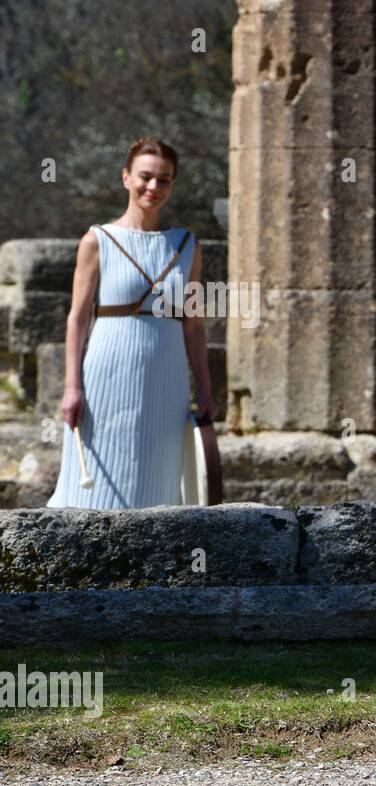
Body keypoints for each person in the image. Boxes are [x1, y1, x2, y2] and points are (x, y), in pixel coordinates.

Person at [46, 137, 216, 509]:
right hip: (106, 375)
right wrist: (72, 386)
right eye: (145, 176)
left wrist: (204, 389)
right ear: (126, 177)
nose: (153, 187)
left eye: (164, 179)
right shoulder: (98, 240)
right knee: (91, 492)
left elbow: (193, 325)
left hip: (166, 378)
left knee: (158, 485)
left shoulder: (186, 245)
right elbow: (77, 319)